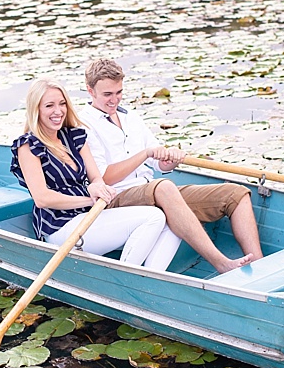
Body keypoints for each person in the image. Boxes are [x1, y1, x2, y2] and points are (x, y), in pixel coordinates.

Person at [76, 59, 263, 273]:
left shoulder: (130, 116)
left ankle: (261, 267)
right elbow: (104, 177)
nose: (114, 100)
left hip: (151, 190)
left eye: (119, 92)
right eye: (107, 94)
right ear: (90, 91)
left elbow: (157, 162)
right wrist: (144, 154)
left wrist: (168, 160)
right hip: (115, 197)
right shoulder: (84, 125)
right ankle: (221, 263)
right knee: (164, 187)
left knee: (235, 194)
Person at [11, 80, 179, 270]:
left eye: (62, 103)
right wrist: (90, 200)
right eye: (49, 105)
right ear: (36, 109)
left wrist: (97, 187)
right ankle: (126, 277)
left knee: (171, 221)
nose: (58, 111)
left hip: (90, 215)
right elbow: (42, 199)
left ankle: (149, 277)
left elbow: (96, 177)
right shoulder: (28, 145)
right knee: (153, 217)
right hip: (60, 226)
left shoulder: (74, 136)